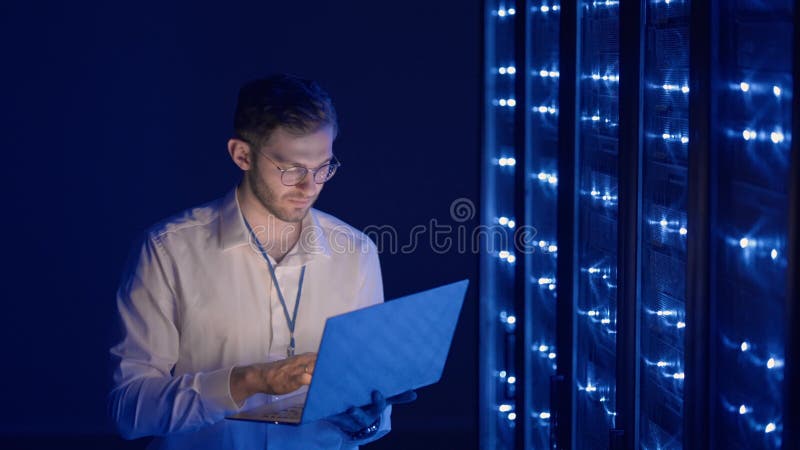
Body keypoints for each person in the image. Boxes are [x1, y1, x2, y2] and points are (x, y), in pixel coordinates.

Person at [109, 74, 412, 449]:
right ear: (242, 155)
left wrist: (367, 420)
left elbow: (370, 414)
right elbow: (129, 410)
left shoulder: (356, 251)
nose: (310, 187)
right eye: (292, 169)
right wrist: (249, 381)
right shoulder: (167, 250)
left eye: (324, 167)